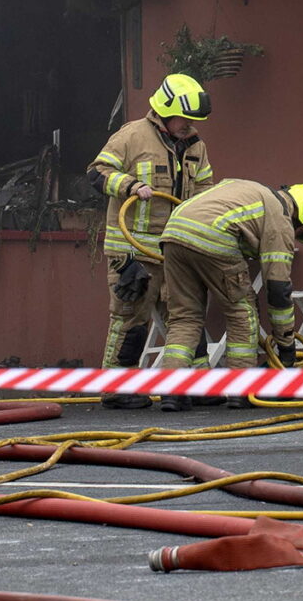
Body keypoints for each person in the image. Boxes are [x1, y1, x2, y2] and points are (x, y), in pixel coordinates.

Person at [89, 73, 215, 409]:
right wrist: (130, 186)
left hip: (175, 250)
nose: (190, 127)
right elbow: (96, 173)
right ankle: (118, 389)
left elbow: (205, 193)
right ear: (165, 111)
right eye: (185, 120)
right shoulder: (132, 136)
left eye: (193, 121)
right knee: (131, 317)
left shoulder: (196, 147)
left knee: (186, 315)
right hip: (132, 252)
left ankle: (196, 385)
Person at [154, 179, 303, 406]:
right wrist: (286, 347)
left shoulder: (247, 190)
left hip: (173, 234)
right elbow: (278, 290)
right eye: (301, 231)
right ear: (301, 216)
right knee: (242, 313)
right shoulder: (280, 216)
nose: (295, 235)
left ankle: (172, 391)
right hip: (212, 235)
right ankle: (240, 391)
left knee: (185, 317)